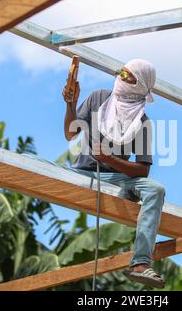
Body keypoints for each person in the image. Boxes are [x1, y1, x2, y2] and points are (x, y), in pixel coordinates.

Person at [62, 59, 166, 288]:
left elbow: (143, 169)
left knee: (156, 190)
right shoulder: (99, 97)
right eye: (122, 72)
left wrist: (110, 160)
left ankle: (140, 263)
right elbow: (70, 133)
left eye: (129, 76)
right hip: (82, 173)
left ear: (141, 85)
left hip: (116, 178)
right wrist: (71, 103)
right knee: (33, 165)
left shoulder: (142, 122)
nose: (121, 77)